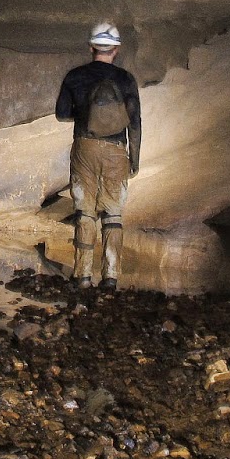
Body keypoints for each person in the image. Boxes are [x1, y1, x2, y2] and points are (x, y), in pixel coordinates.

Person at [55, 22, 142, 290]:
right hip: (116, 151)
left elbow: (61, 113)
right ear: (116, 49)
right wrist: (134, 160)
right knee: (113, 215)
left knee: (85, 212)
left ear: (91, 47)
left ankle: (82, 275)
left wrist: (84, 113)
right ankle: (111, 278)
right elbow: (135, 122)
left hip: (85, 147)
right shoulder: (126, 79)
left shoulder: (75, 76)